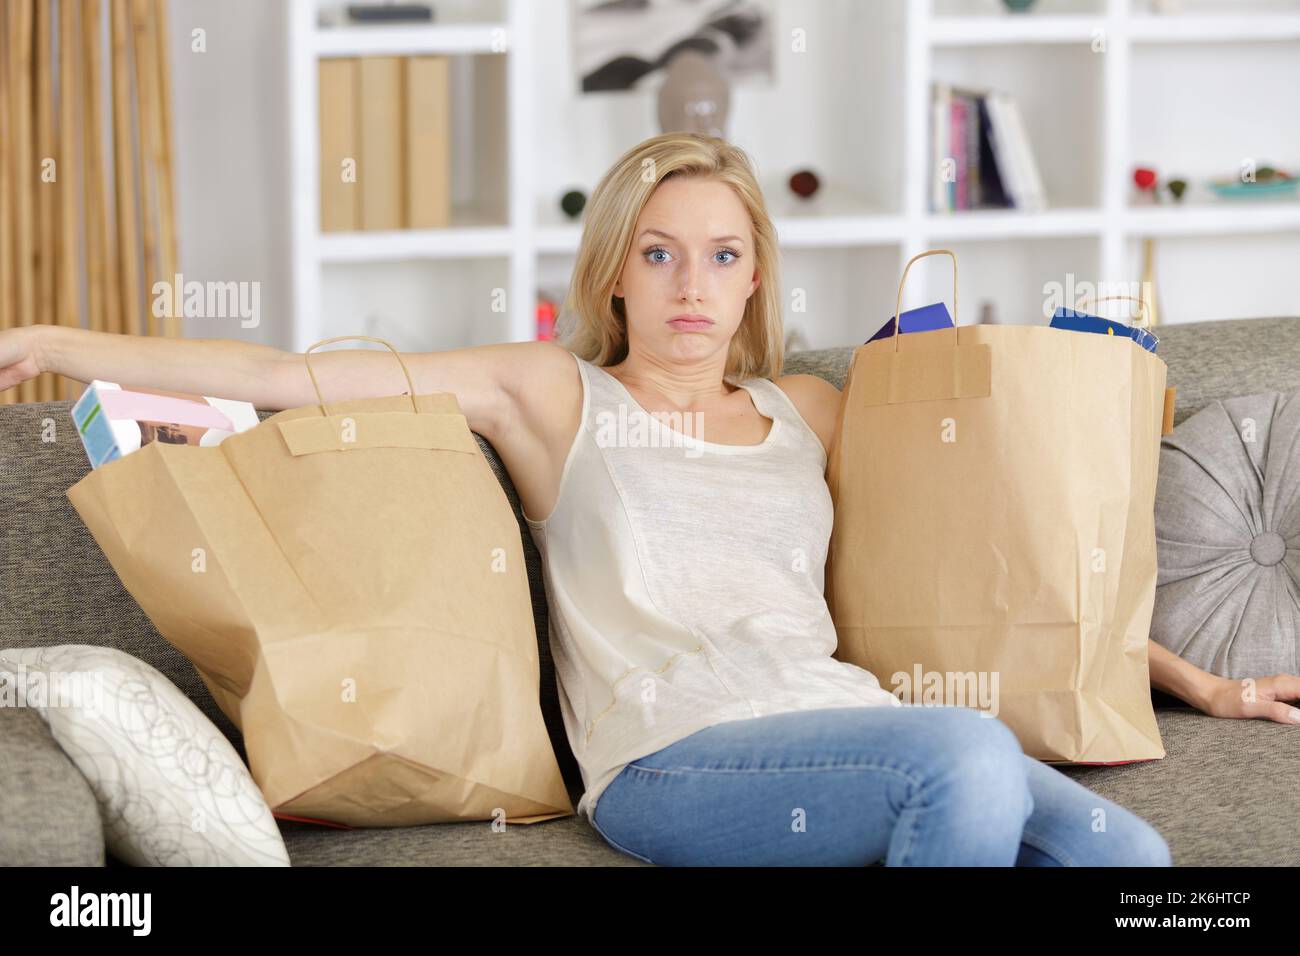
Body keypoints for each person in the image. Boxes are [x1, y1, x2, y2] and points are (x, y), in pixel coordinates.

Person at [3, 132, 1297, 866]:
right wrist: (67, 340)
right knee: (962, 760)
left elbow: (994, 588)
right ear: (615, 270)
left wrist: (1200, 684)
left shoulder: (813, 408)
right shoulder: (554, 396)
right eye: (661, 251)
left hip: (850, 726)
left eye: (722, 255)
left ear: (753, 278)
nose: (691, 282)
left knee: (1131, 864)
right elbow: (289, 372)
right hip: (667, 757)